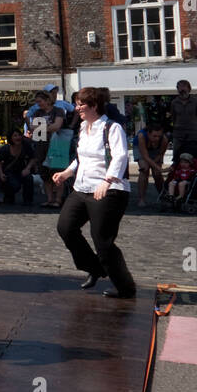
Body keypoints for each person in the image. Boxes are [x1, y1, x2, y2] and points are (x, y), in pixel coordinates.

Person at [53, 86, 135, 299]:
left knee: (103, 241)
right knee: (65, 228)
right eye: (77, 103)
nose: (77, 108)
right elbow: (82, 158)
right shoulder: (82, 127)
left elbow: (120, 157)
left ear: (94, 106)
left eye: (81, 104)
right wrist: (66, 173)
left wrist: (107, 181)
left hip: (109, 191)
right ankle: (95, 268)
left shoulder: (112, 128)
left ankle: (125, 287)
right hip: (82, 188)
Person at [0, 129, 37, 205]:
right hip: (9, 172)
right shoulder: (5, 149)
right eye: (15, 135)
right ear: (10, 138)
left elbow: (33, 158)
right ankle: (8, 197)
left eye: (19, 135)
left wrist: (27, 168)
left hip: (22, 170)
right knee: (14, 184)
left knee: (29, 178)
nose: (18, 137)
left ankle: (28, 200)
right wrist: (0, 174)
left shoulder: (26, 146)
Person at [132, 123, 170, 207]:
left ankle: (163, 196)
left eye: (159, 136)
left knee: (157, 174)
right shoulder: (141, 136)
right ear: (148, 133)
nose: (157, 138)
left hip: (156, 152)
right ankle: (141, 199)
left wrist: (157, 167)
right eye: (154, 136)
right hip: (140, 148)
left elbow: (160, 154)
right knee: (144, 169)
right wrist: (157, 167)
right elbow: (145, 156)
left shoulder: (164, 139)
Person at [170, 79, 197, 159]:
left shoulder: (196, 101)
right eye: (179, 87)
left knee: (195, 156)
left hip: (193, 134)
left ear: (189, 89)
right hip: (178, 134)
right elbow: (173, 118)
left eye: (184, 87)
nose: (182, 89)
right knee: (177, 157)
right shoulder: (174, 103)